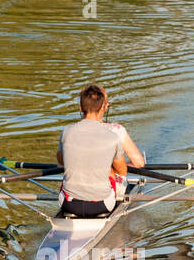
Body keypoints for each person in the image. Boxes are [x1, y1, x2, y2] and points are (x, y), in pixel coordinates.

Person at [55, 84, 146, 217]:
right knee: (113, 174)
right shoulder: (113, 135)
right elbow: (122, 171)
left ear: (80, 108)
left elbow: (61, 163)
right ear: (103, 107)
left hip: (69, 205)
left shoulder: (66, 132)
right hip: (101, 205)